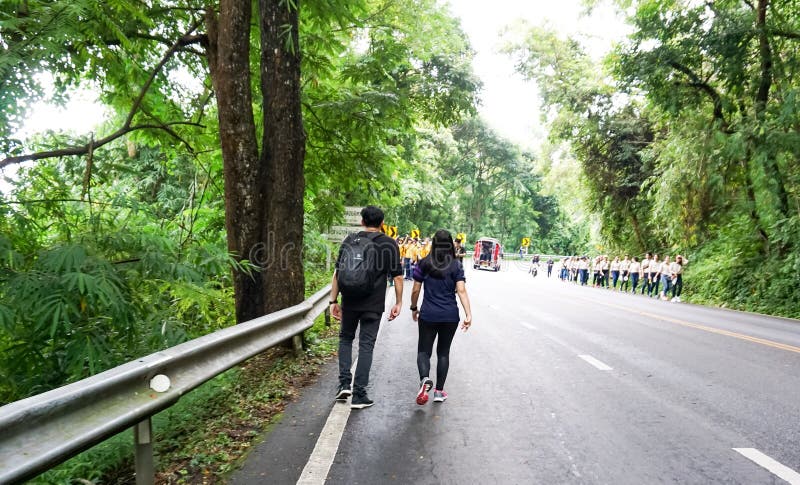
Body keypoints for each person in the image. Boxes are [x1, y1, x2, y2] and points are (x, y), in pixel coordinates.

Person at [329, 206, 403, 409]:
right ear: (382, 223)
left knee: (345, 339)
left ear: (362, 221)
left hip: (350, 301)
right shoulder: (389, 244)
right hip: (373, 304)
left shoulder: (349, 240)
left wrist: (333, 301)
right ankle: (359, 394)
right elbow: (397, 276)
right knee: (366, 345)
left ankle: (344, 384)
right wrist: (398, 302)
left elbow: (337, 273)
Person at [410, 230, 472, 405]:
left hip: (428, 314)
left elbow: (415, 290)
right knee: (443, 353)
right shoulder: (456, 265)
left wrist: (413, 307)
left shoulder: (424, 263)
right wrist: (468, 314)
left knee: (424, 351)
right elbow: (461, 291)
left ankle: (424, 380)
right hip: (450, 316)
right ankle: (438, 391)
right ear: (451, 244)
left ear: (434, 244)